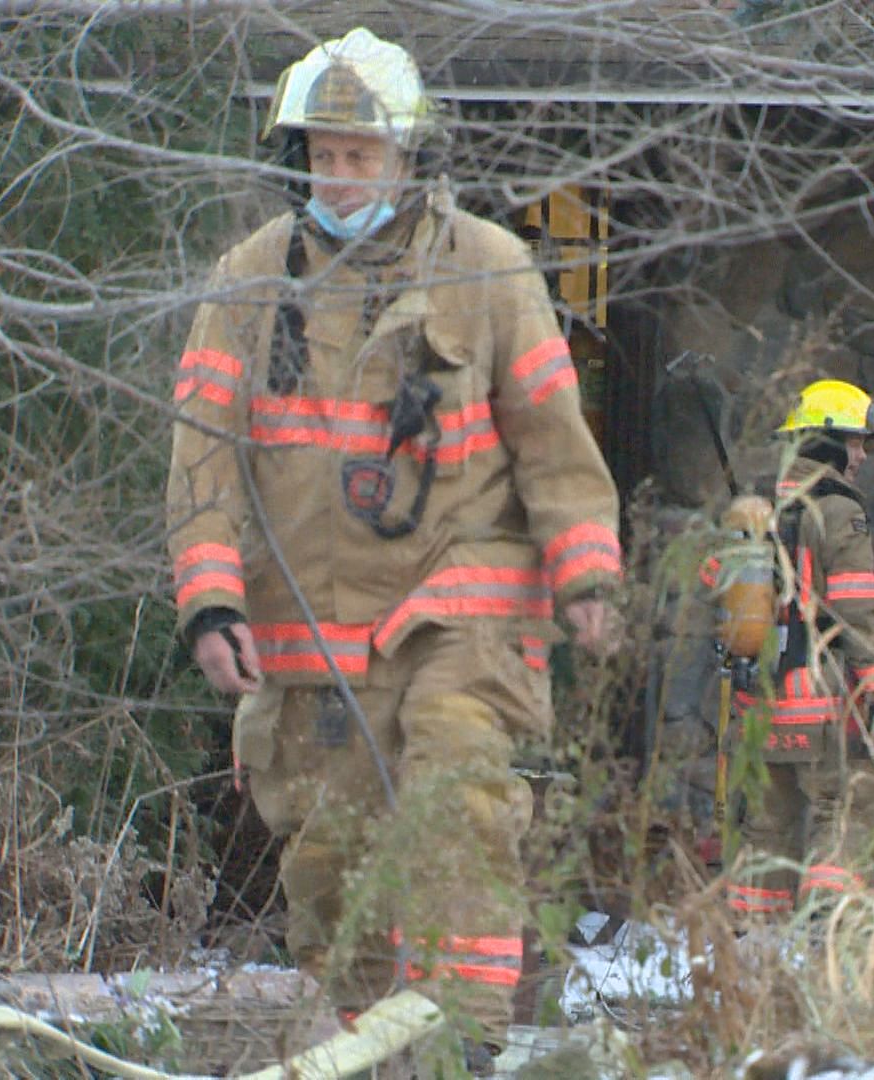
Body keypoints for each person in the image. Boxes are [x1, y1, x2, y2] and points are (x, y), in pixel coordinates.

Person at [164, 27, 621, 1066]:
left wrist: (585, 570)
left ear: (408, 155)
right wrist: (212, 602)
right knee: (334, 865)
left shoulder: (489, 269)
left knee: (456, 788)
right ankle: (369, 1050)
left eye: (359, 155)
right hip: (314, 621)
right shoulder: (249, 283)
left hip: (466, 595)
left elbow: (556, 442)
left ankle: (463, 1044)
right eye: (323, 153)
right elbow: (201, 461)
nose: (340, 173)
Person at [719, 378, 874, 919]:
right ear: (824, 443)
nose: (862, 453)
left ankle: (756, 945)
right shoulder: (840, 513)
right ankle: (829, 929)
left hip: (757, 703)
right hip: (819, 704)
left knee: (765, 827)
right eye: (854, 441)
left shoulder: (752, 509)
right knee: (848, 804)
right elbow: (858, 613)